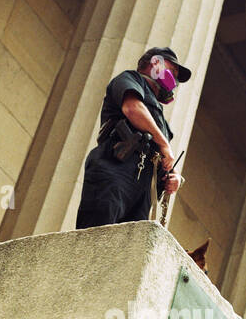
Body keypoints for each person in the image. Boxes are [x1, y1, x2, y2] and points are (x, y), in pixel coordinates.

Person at [75, 46, 190, 228]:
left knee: (129, 248)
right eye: (172, 70)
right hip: (117, 166)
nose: (174, 78)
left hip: (143, 185)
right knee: (97, 234)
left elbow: (159, 154)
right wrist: (164, 144)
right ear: (155, 63)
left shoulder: (161, 120)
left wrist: (173, 176)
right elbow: (132, 108)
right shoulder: (130, 79)